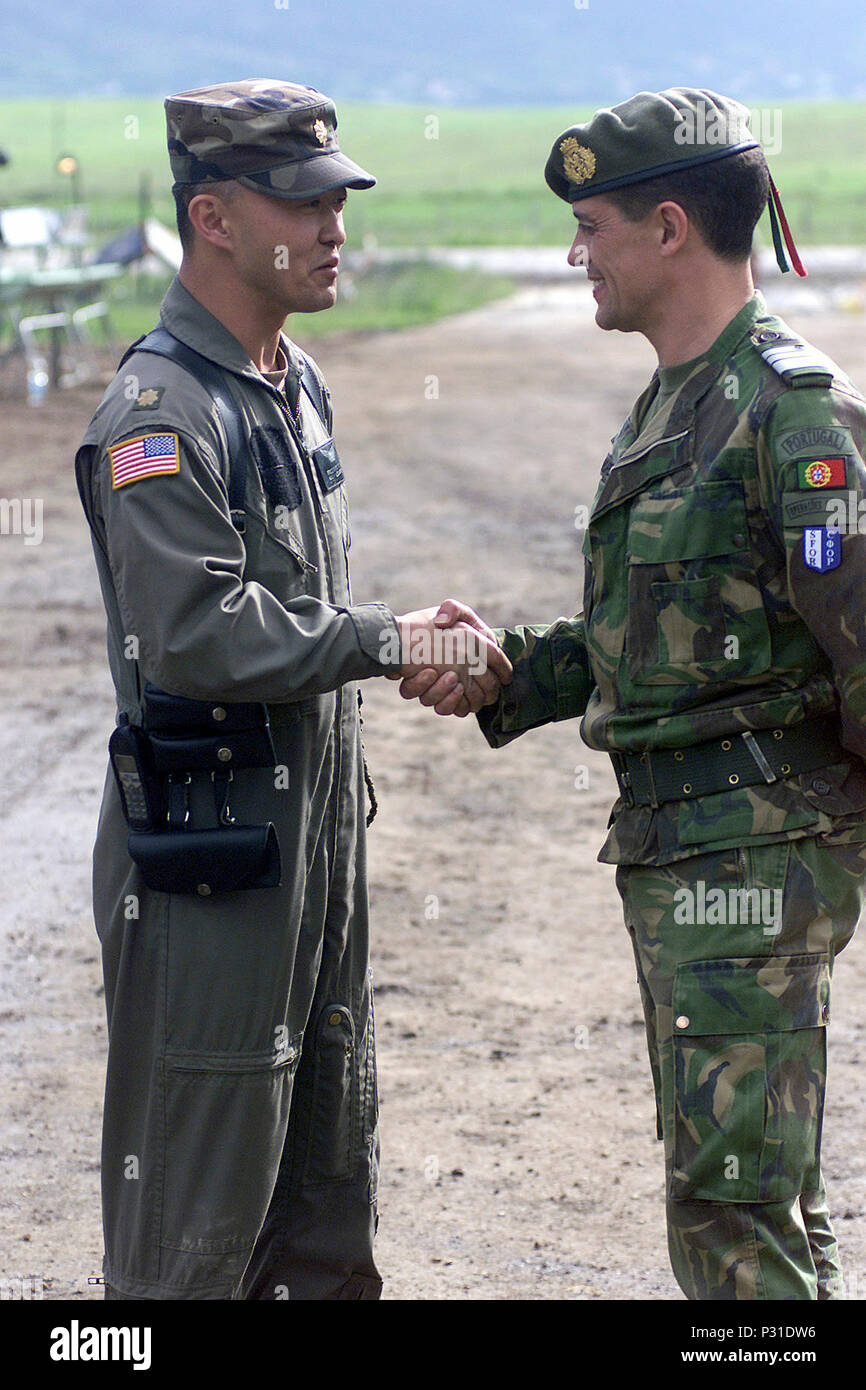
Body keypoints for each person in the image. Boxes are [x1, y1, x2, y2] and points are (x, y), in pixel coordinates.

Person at [402, 88, 866, 1300]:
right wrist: (506, 665)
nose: (573, 254)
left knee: (729, 1208)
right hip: (684, 854)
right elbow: (653, 634)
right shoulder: (673, 402)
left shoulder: (786, 411)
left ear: (668, 229)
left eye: (591, 226)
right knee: (752, 1196)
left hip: (750, 862)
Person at [74, 78, 510, 1301]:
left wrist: (397, 639)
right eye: (304, 203)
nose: (334, 228)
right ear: (214, 219)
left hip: (312, 855)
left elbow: (301, 610)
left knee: (321, 1211)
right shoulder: (161, 411)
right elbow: (194, 632)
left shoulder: (289, 383)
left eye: (339, 201)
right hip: (213, 873)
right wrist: (386, 639)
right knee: (190, 1241)